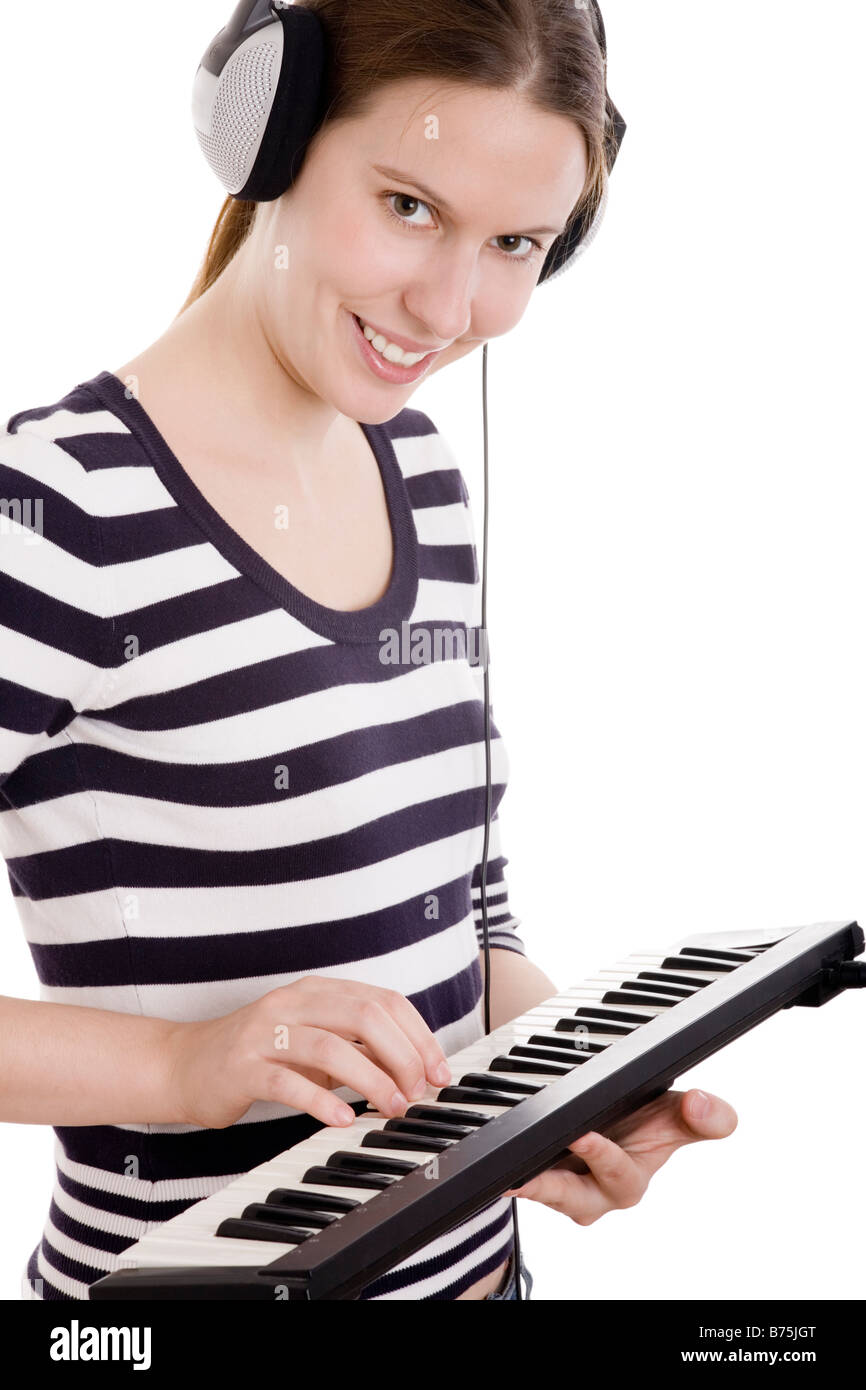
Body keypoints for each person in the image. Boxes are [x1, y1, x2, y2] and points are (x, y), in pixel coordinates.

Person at [1, 0, 736, 1302]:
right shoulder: (58, 512)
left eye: (514, 241)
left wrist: (568, 1072)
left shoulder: (421, 474)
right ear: (268, 138)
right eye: (406, 205)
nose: (454, 305)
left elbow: (465, 905)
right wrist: (185, 1067)